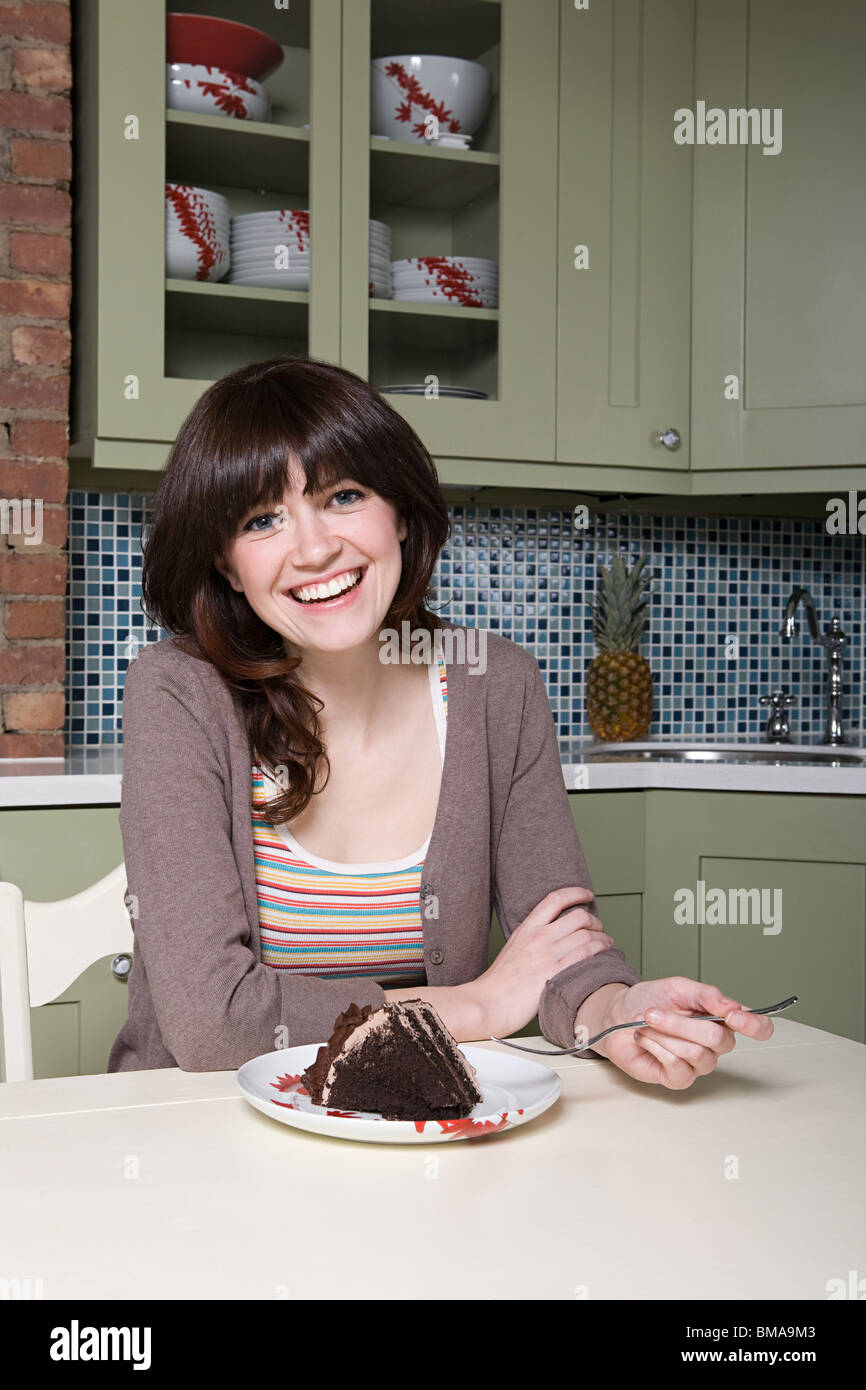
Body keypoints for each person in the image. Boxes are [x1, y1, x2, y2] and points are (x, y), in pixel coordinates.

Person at [107, 356, 773, 1087]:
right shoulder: (179, 692)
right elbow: (213, 1023)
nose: (315, 548)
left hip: (418, 1121)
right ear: (228, 566)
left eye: (343, 496)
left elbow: (554, 942)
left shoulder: (495, 684)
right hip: (203, 1134)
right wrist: (476, 1006)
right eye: (262, 520)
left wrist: (617, 1012)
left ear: (398, 511)